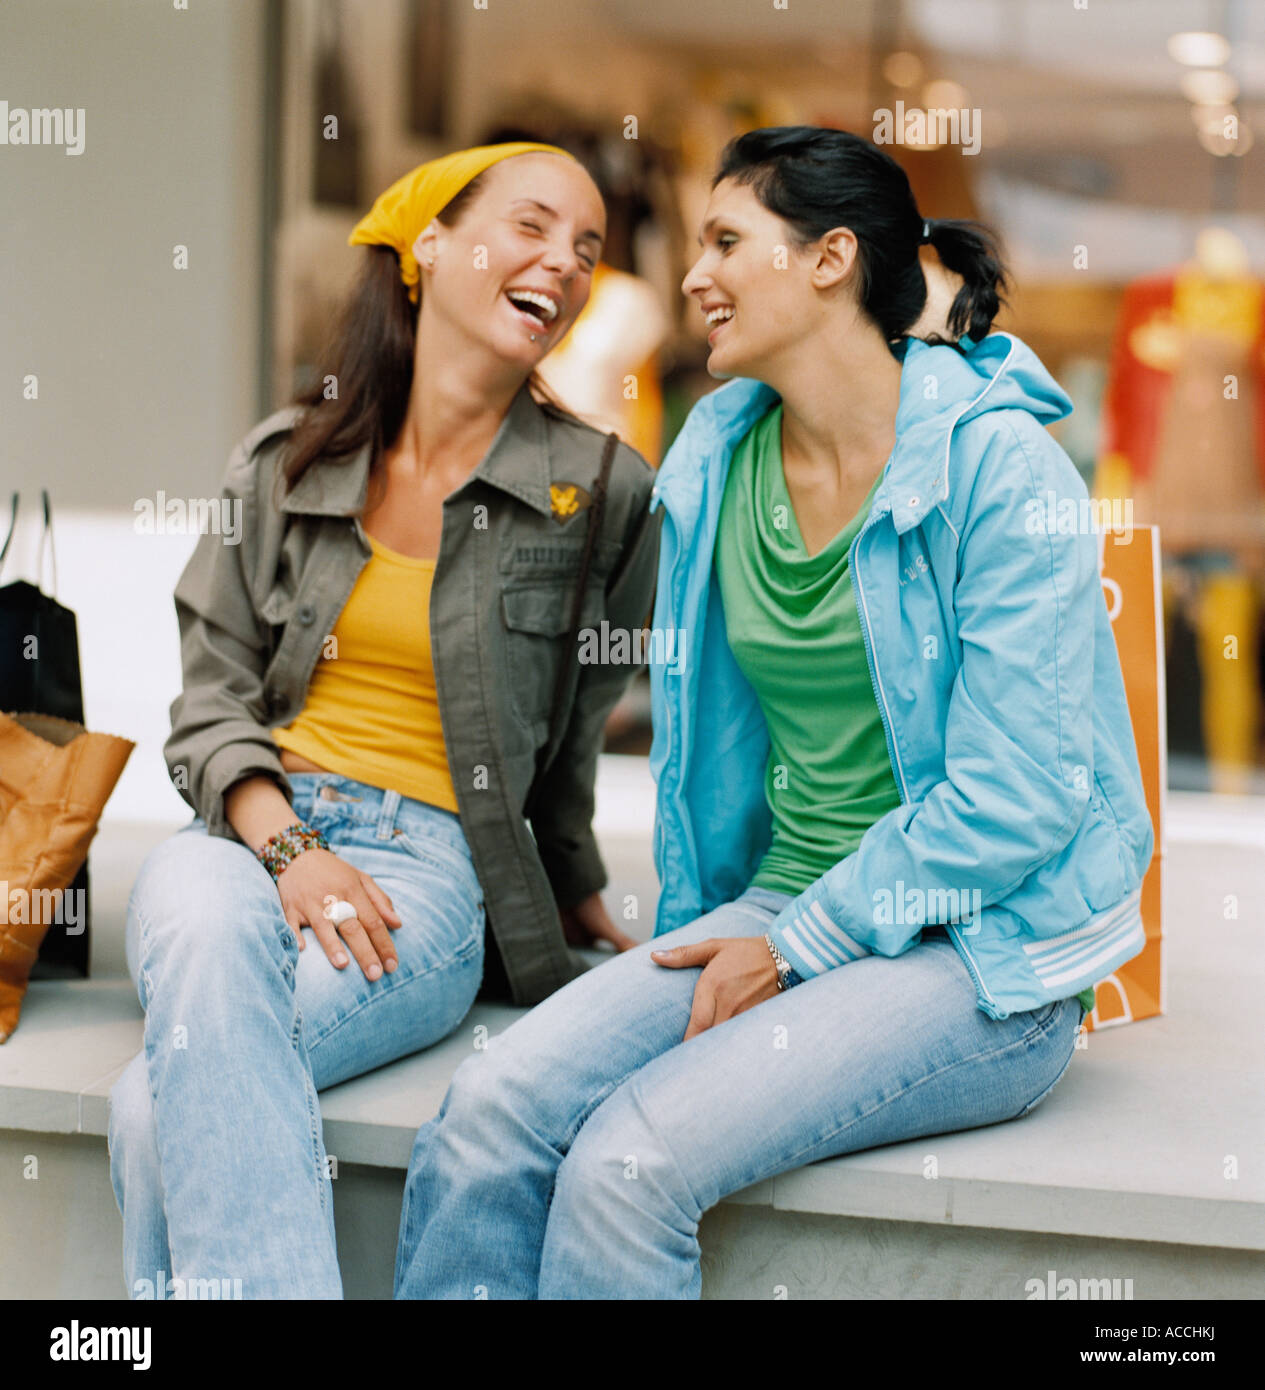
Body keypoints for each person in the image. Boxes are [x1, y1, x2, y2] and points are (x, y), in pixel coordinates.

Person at [393, 127, 1154, 1300]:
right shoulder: (717, 450)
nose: (693, 274)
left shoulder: (1003, 475)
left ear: (829, 260)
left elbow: (1020, 800)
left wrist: (798, 945)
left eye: (725, 241)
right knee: (489, 1111)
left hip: (981, 957)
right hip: (775, 907)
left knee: (627, 1164)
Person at [106, 142, 659, 1300]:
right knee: (205, 929)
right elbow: (209, 700)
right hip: (245, 838)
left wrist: (566, 884)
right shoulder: (283, 462)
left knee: (163, 1103)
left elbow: (576, 721)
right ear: (429, 250)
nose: (562, 264)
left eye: (586, 249)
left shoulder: (597, 490)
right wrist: (289, 849)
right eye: (532, 226)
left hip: (422, 873)